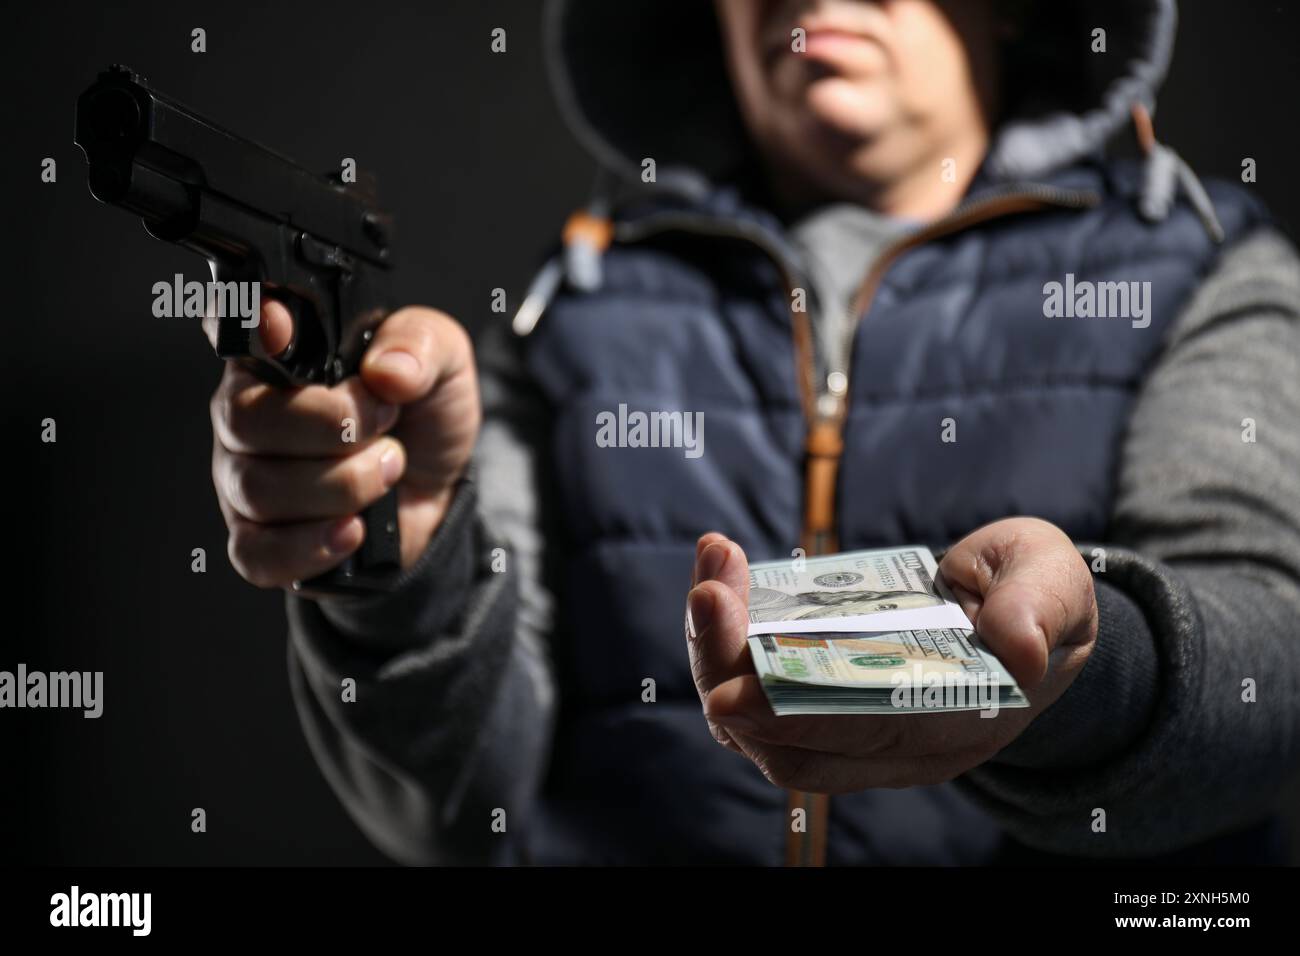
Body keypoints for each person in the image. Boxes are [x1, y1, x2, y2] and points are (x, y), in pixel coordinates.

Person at [207, 0, 1300, 864]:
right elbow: (453, 814)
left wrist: (1084, 665)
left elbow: (1274, 668)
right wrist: (407, 569)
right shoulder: (564, 317)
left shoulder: (1206, 270)